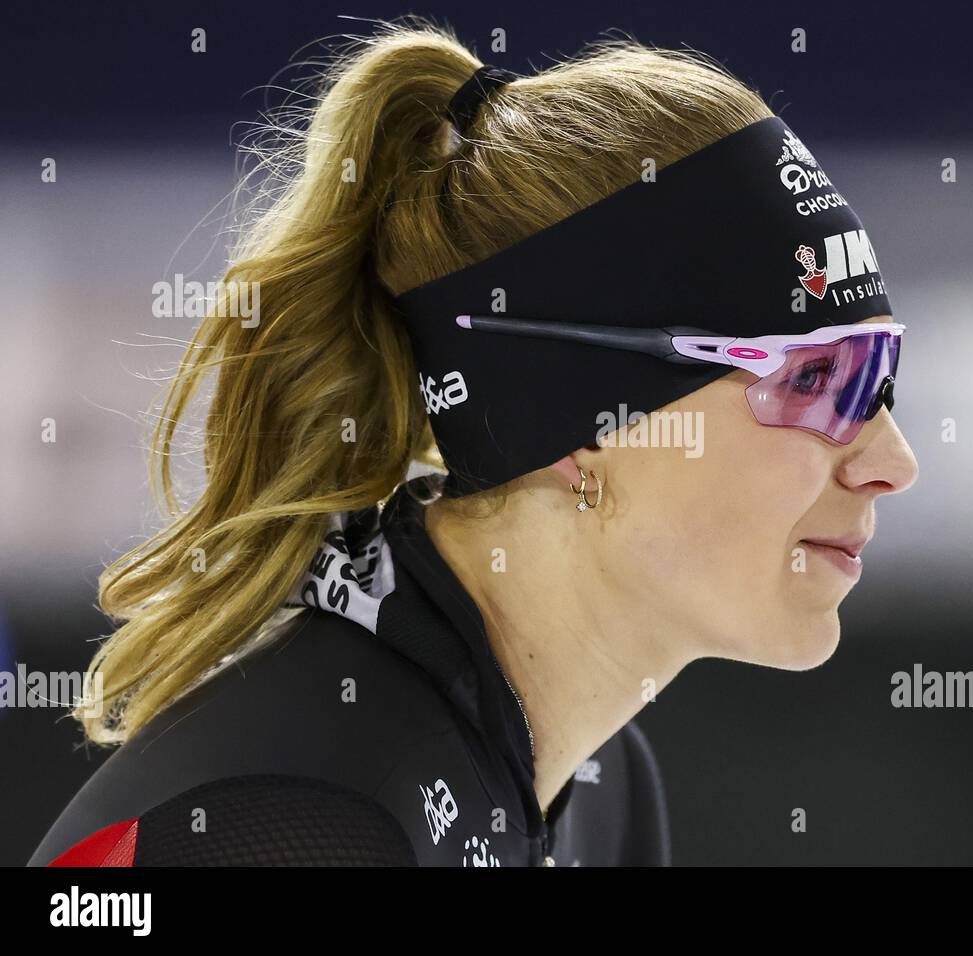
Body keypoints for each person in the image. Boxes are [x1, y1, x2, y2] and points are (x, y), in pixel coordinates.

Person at [29, 17, 919, 867]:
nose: (893, 463)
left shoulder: (598, 784)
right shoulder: (287, 829)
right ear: (582, 419)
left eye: (881, 378)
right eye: (813, 380)